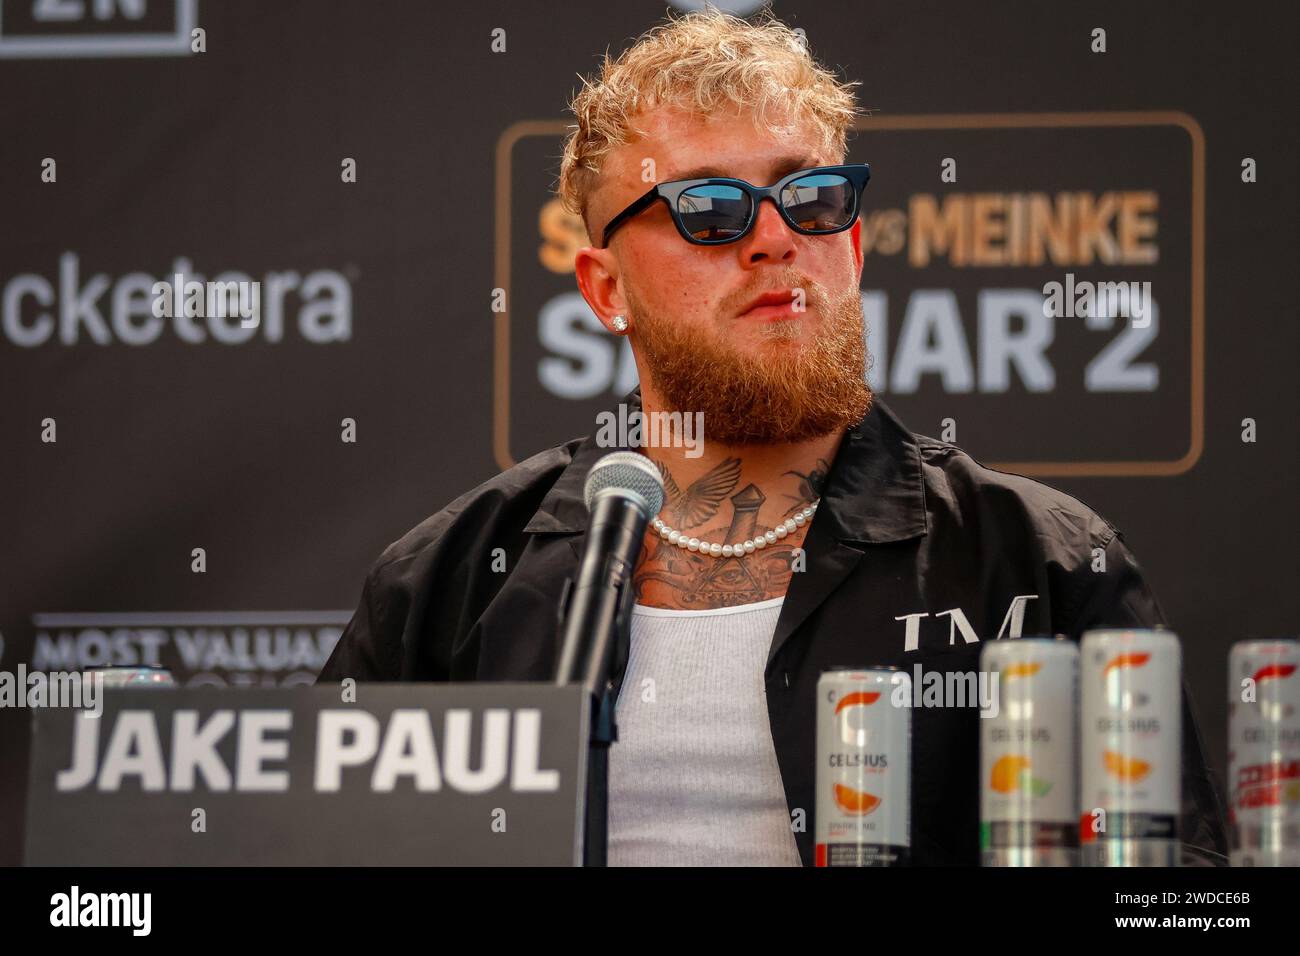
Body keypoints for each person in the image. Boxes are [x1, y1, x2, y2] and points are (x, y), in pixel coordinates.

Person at [319, 9, 1226, 866]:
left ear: (855, 244)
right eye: (709, 210)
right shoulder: (449, 581)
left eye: (813, 197)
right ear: (605, 288)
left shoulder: (1037, 562)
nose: (773, 239)